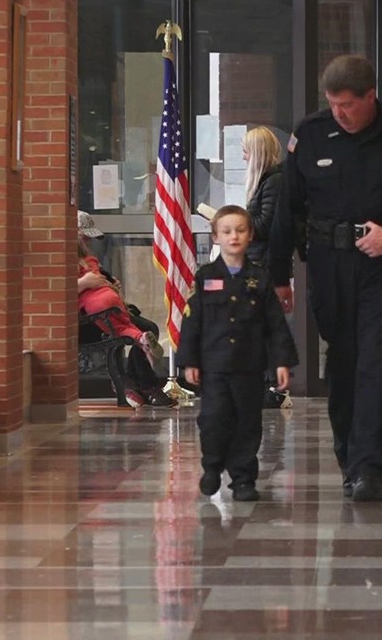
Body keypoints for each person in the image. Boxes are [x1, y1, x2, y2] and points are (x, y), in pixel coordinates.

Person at [269, 55, 382, 502]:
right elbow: (287, 209)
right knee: (346, 363)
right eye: (333, 104)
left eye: (348, 104)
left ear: (370, 96)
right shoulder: (309, 134)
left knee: (374, 361)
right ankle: (349, 455)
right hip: (329, 265)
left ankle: (370, 467)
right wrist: (278, 276)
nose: (339, 113)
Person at [178, 205, 298, 502]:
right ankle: (212, 466)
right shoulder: (206, 276)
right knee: (214, 418)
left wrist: (281, 362)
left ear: (250, 235)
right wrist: (189, 360)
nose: (234, 237)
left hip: (249, 366)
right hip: (214, 366)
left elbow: (275, 324)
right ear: (216, 237)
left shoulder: (260, 278)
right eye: (227, 231)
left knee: (248, 422)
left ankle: (244, 479)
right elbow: (193, 321)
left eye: (240, 230)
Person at [76, 212, 175, 408]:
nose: (88, 242)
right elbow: (51, 293)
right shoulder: (59, 258)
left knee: (148, 328)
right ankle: (143, 385)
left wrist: (111, 285)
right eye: (84, 237)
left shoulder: (88, 258)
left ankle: (137, 382)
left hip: (105, 311)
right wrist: (83, 283)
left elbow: (101, 279)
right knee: (137, 331)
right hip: (87, 320)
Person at [242, 126, 293, 409]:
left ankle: (276, 386)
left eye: (246, 150)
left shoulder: (273, 182)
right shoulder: (266, 182)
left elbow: (265, 226)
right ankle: (266, 383)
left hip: (265, 266)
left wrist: (237, 223)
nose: (243, 156)